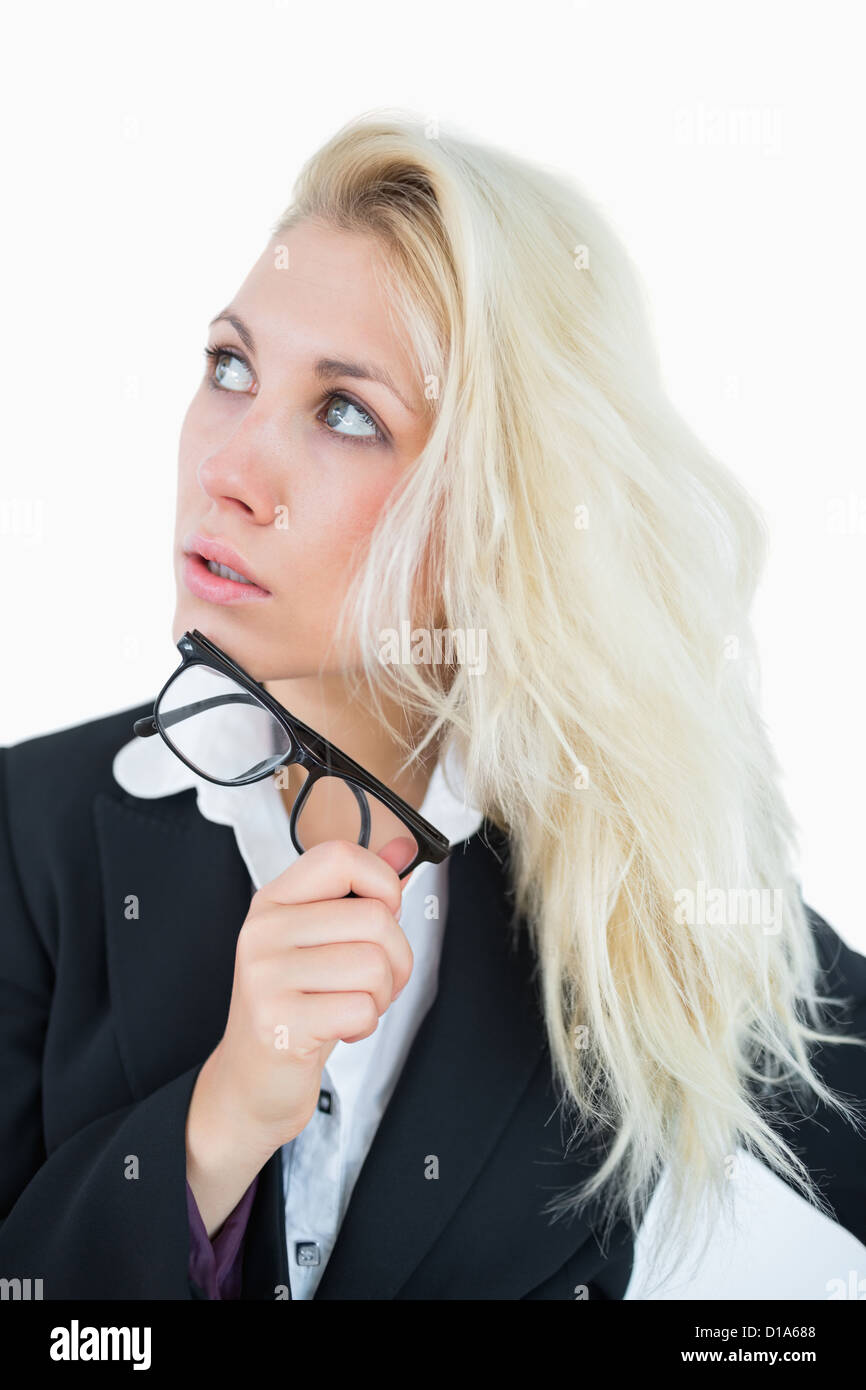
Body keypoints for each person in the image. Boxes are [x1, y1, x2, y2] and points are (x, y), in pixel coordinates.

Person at [1, 109, 864, 1301]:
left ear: (494, 506)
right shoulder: (25, 830)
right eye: (230, 367)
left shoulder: (630, 883)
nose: (229, 469)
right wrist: (218, 1122)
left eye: (345, 412)